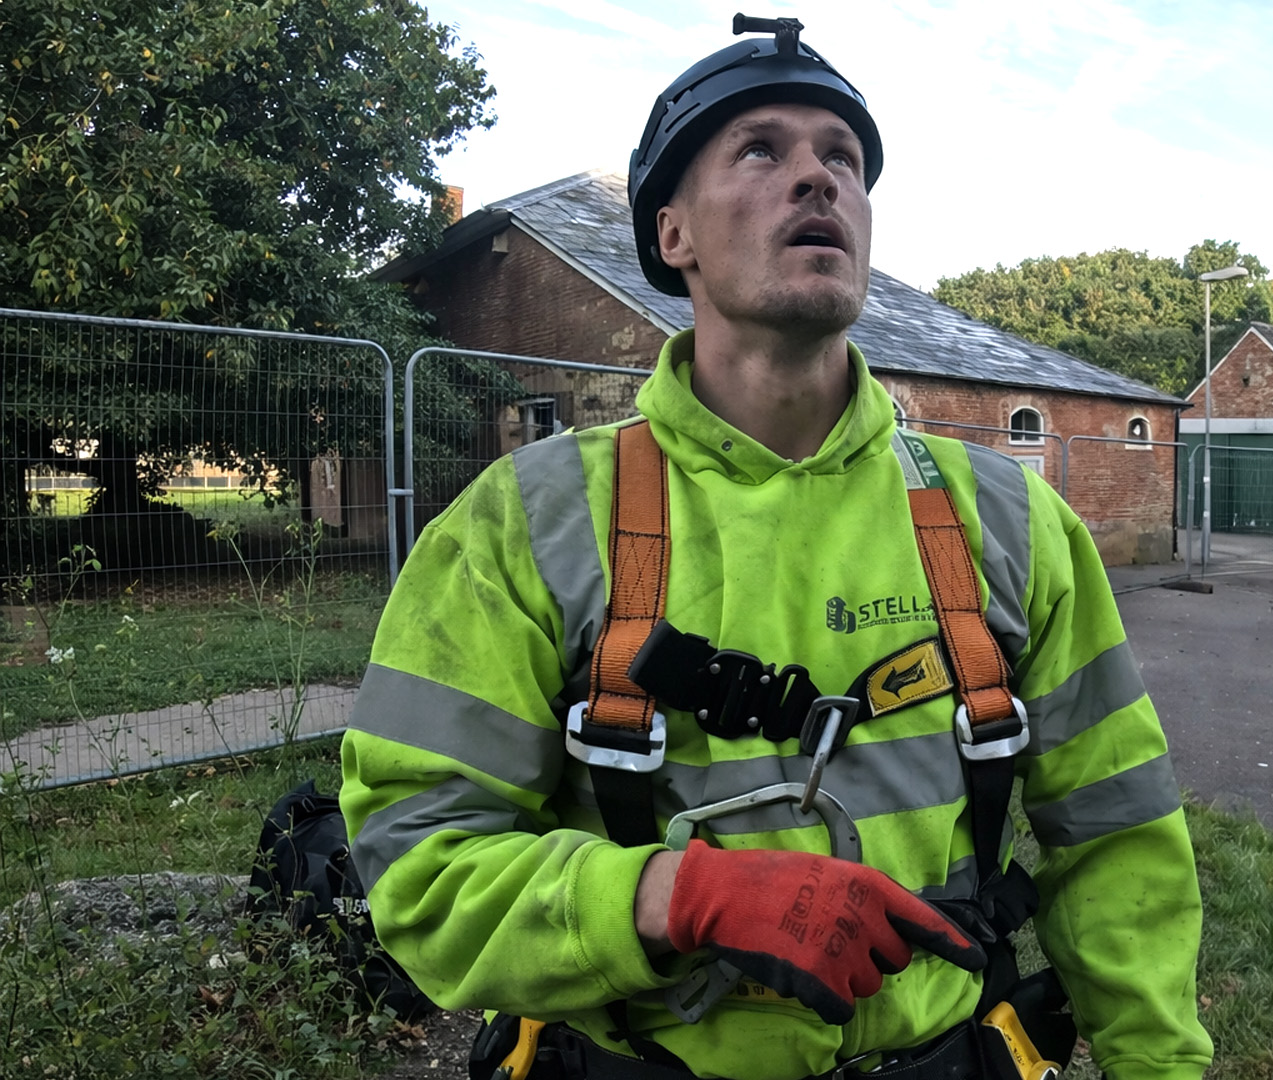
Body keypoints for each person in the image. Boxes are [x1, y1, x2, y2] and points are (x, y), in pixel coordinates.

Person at [338, 15, 1212, 1080]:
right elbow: (419, 866)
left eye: (843, 159)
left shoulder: (1010, 522)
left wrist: (1157, 1063)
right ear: (673, 235)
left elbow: (1118, 838)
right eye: (761, 149)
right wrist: (676, 896)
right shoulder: (527, 522)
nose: (818, 179)